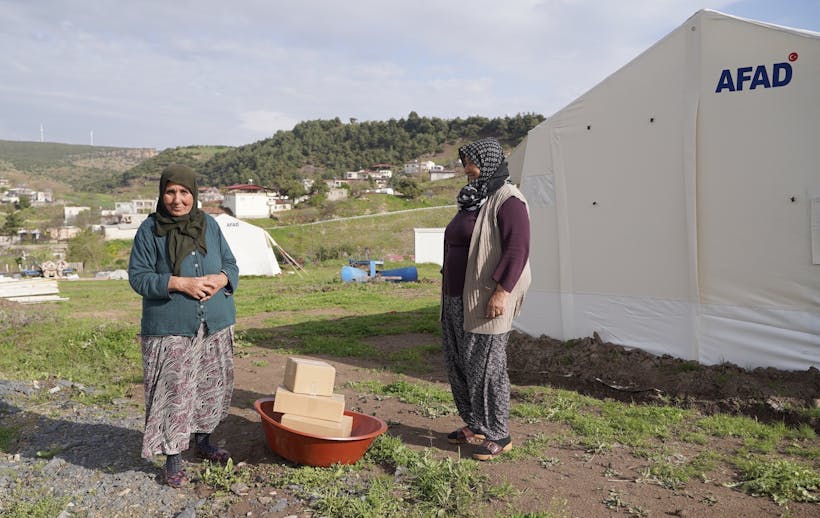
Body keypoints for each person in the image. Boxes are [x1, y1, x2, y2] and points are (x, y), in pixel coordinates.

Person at [128, 164, 239, 488]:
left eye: (184, 192)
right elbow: (139, 277)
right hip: (170, 327)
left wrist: (221, 279)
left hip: (215, 323)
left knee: (210, 387)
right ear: (162, 194)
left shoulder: (210, 225)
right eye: (170, 192)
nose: (177, 199)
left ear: (194, 194)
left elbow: (230, 264)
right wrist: (179, 283)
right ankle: (173, 459)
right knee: (172, 393)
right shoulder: (150, 230)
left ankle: (203, 443)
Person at [441, 137, 531, 461]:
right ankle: (475, 424)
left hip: (486, 299)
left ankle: (499, 433)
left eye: (471, 162)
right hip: (455, 298)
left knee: (486, 369)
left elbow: (518, 248)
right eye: (465, 163)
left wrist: (502, 291)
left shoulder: (508, 200)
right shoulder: (474, 200)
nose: (466, 169)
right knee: (460, 365)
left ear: (488, 162)